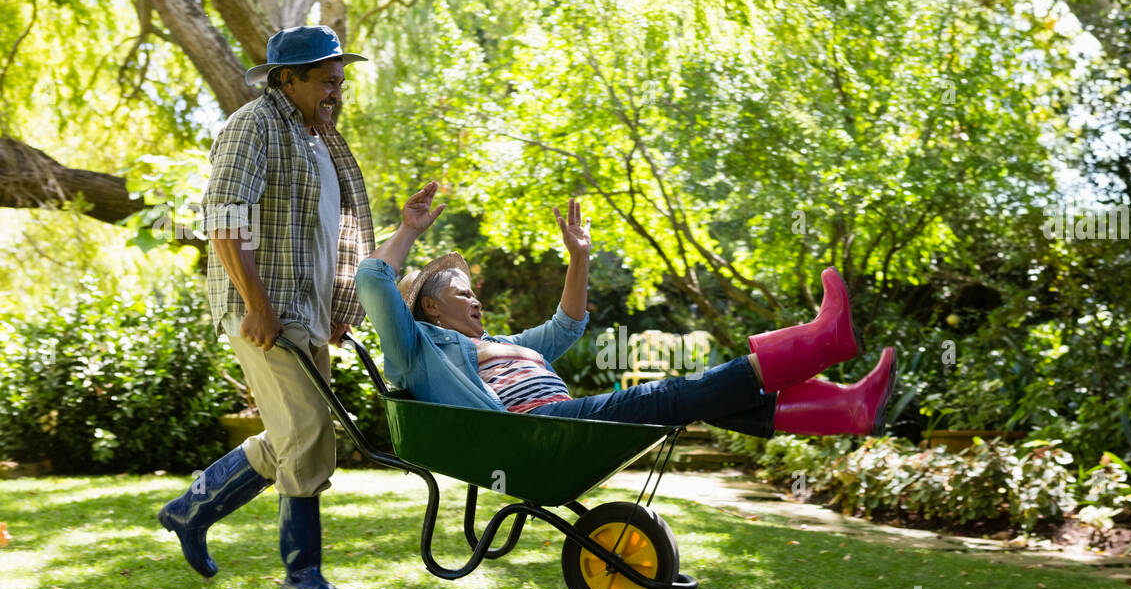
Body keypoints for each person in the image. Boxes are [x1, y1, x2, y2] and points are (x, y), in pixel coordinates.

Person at [158, 25, 427, 589]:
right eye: (327, 80)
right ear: (288, 78)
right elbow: (225, 218)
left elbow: (329, 237)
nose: (337, 90)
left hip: (304, 310)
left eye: (340, 81)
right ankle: (302, 576)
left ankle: (190, 511)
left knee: (293, 434)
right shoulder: (252, 126)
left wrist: (337, 305)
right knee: (307, 432)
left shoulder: (318, 143)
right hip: (263, 311)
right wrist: (257, 305)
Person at [353, 187, 897, 438]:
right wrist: (409, 230)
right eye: (462, 293)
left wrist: (580, 258)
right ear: (428, 306)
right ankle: (821, 343)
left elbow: (567, 324)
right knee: (673, 393)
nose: (476, 301)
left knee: (704, 402)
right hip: (527, 433)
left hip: (561, 421)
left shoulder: (507, 345)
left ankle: (846, 410)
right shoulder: (418, 351)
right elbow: (373, 279)